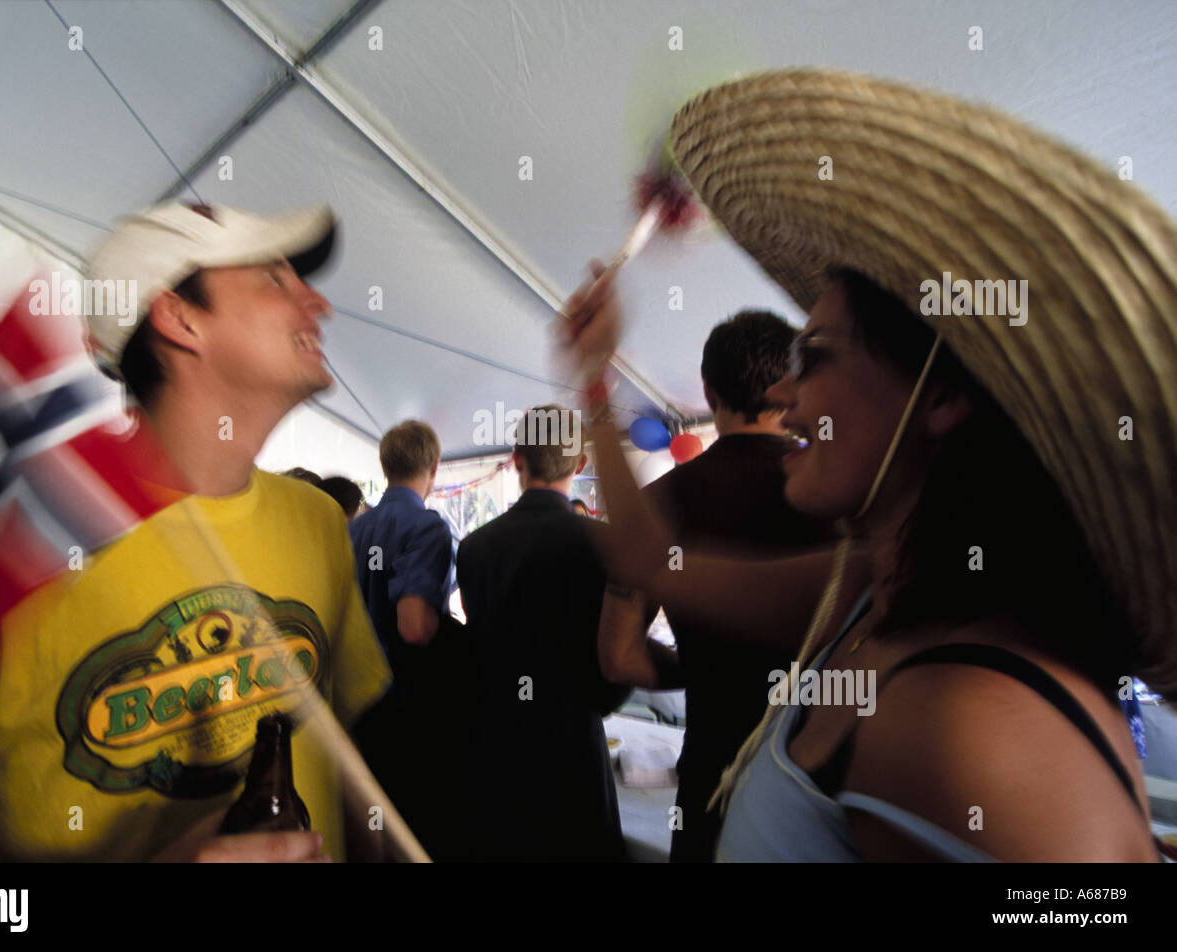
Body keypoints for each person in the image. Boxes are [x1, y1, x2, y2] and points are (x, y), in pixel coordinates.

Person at [561, 69, 1173, 861]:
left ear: (942, 395)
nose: (784, 389)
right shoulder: (859, 589)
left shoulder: (967, 721)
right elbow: (646, 556)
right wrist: (594, 375)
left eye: (811, 355)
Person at [0, 201, 392, 863]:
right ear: (178, 318)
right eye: (274, 278)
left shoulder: (316, 520)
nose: (316, 303)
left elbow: (346, 756)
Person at [598, 310, 834, 861]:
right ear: (788, 384)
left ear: (707, 390)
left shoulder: (663, 503)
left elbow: (617, 657)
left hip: (714, 772)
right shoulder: (835, 492)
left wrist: (698, 670)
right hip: (821, 782)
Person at [458, 405, 630, 861]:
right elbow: (616, 667)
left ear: (516, 458)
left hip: (496, 753)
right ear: (580, 464)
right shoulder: (604, 544)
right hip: (575, 754)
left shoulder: (475, 548)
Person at [347, 420, 464, 857]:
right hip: (410, 712)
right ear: (433, 467)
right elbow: (415, 627)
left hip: (358, 707)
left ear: (385, 465)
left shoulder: (353, 529)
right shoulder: (426, 527)